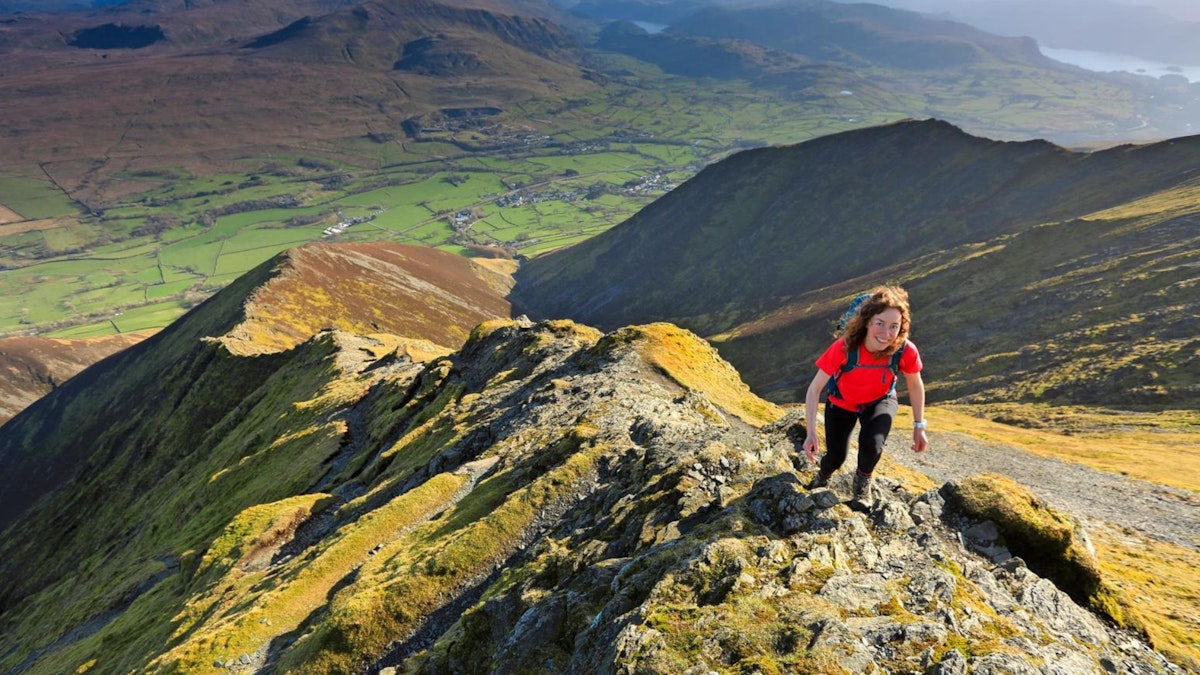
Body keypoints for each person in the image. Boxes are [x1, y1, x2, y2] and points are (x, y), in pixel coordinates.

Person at [801, 285, 929, 508]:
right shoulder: (845, 347)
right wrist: (811, 432)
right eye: (880, 324)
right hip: (841, 403)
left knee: (873, 444)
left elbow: (915, 385)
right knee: (836, 457)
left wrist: (919, 426)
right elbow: (814, 389)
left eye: (894, 327)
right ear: (868, 322)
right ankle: (823, 475)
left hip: (881, 400)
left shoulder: (904, 350)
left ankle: (862, 488)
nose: (887, 334)